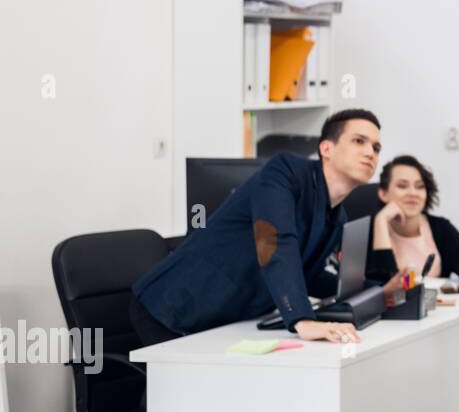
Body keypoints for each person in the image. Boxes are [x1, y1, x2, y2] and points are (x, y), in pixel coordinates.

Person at [130, 109, 383, 346]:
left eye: (376, 147)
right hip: (175, 306)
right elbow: (272, 240)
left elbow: (310, 275)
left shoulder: (338, 217)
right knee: (181, 390)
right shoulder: (284, 172)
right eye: (359, 141)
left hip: (226, 318)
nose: (370, 152)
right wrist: (301, 320)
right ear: (326, 148)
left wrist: (375, 290)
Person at [364, 154, 459, 291]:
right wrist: (381, 221)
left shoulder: (441, 228)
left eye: (420, 186)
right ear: (383, 193)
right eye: (402, 186)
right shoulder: (371, 231)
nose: (413, 193)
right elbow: (384, 285)